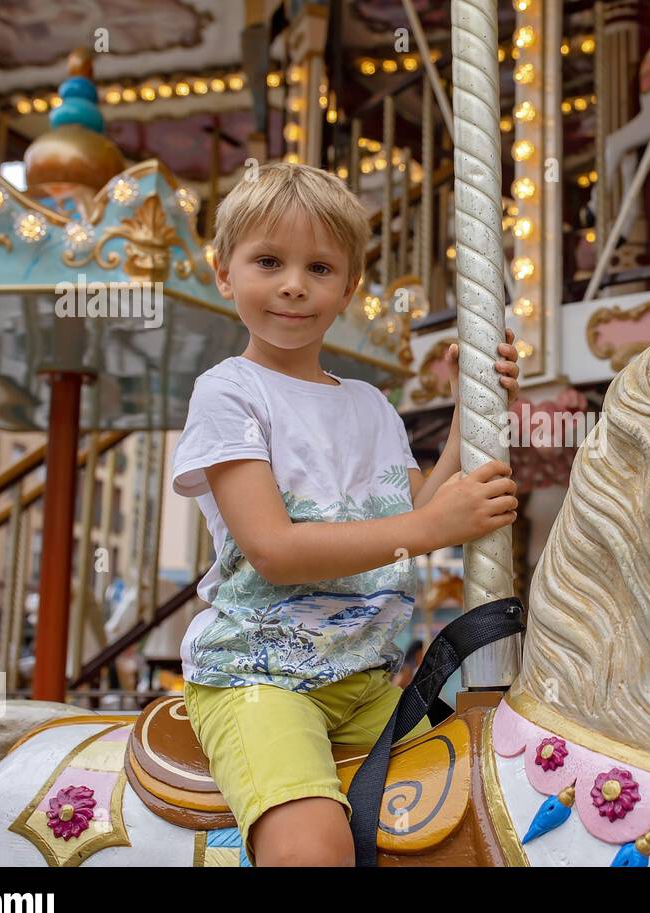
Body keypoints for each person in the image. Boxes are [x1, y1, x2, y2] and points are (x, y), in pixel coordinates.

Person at [170, 162, 520, 866]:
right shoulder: (229, 393)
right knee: (312, 852)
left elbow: (410, 509)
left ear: (348, 289)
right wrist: (428, 530)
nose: (294, 283)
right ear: (224, 273)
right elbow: (273, 548)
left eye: (319, 267)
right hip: (260, 678)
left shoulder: (370, 404)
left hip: (367, 682)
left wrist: (472, 415)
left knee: (489, 803)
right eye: (268, 261)